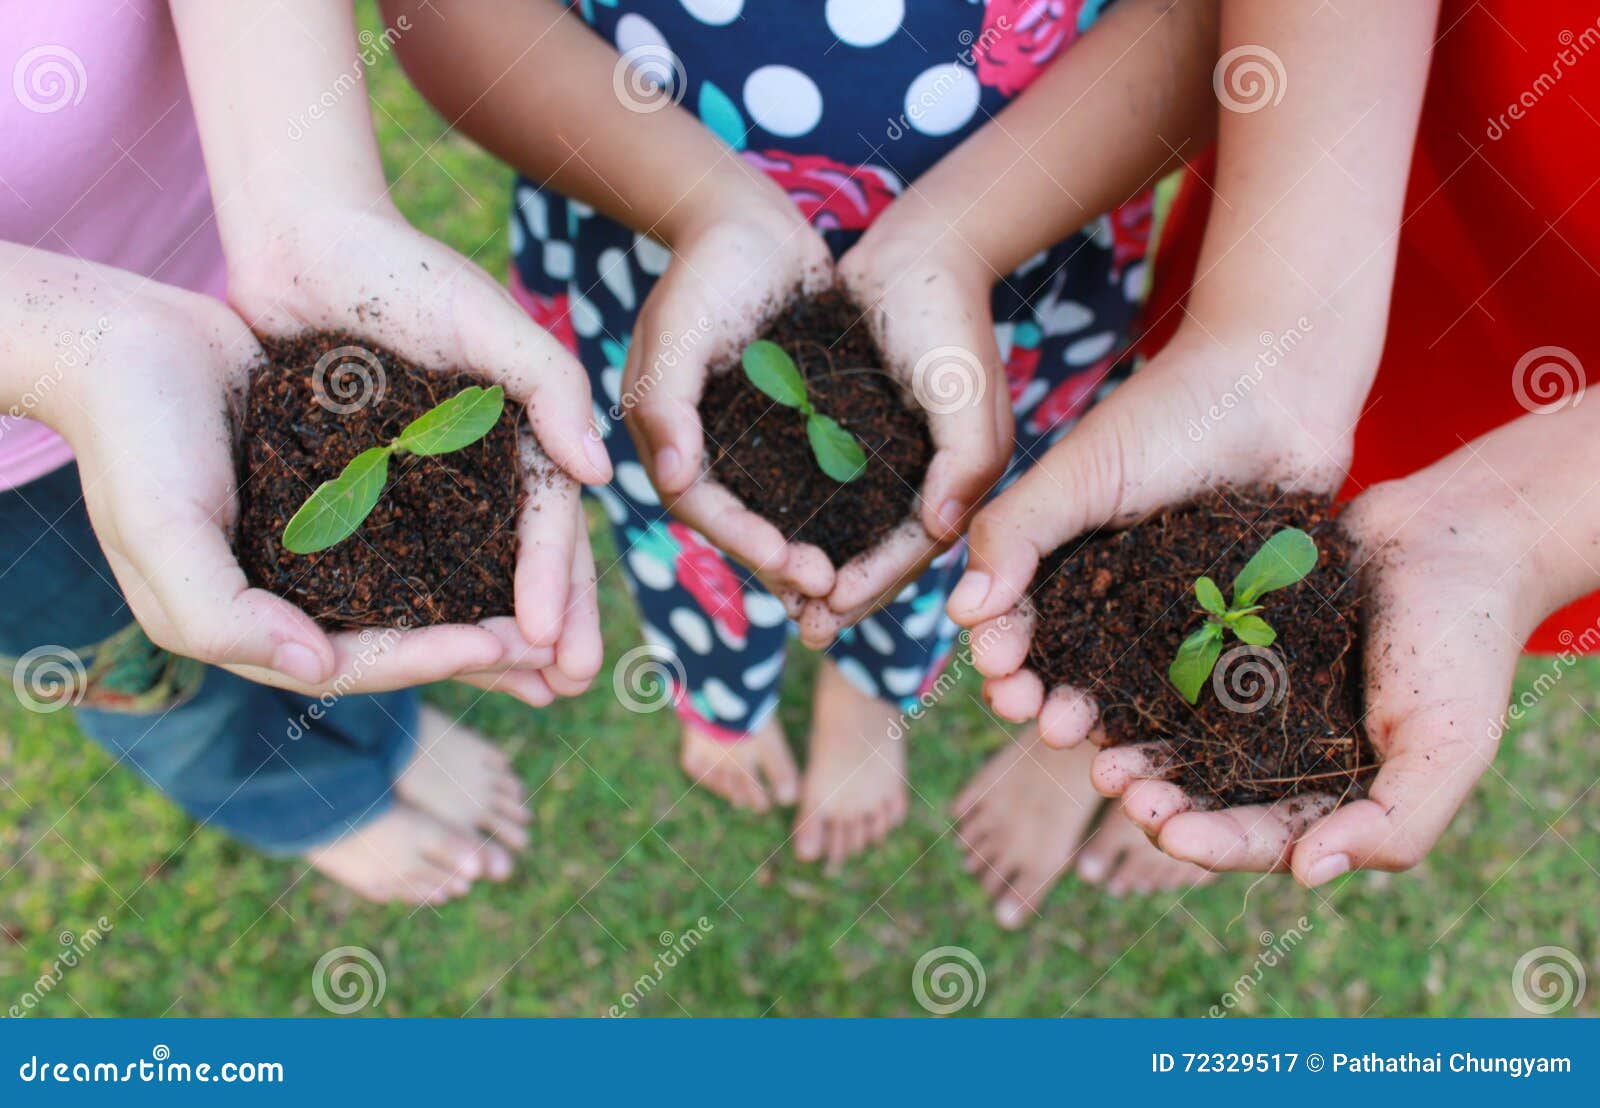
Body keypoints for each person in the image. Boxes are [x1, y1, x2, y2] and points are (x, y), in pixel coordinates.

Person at [389, 0, 1222, 884]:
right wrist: (711, 209)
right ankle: (722, 698)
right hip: (642, 229)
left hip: (1018, 248)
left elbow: (1211, 20)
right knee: (685, 522)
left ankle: (867, 697)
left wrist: (961, 237)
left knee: (944, 510)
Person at [950, 0, 1600, 894]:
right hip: (1341, 142)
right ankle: (1100, 732)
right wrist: (1269, 336)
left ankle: (1164, 739)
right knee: (1229, 473)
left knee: (1361, 541)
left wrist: (1524, 529)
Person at [1, 0, 602, 903]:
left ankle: (383, 731)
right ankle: (300, 801)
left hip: (229, 274)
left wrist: (312, 208)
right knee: (131, 670)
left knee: (332, 627)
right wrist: (66, 350)